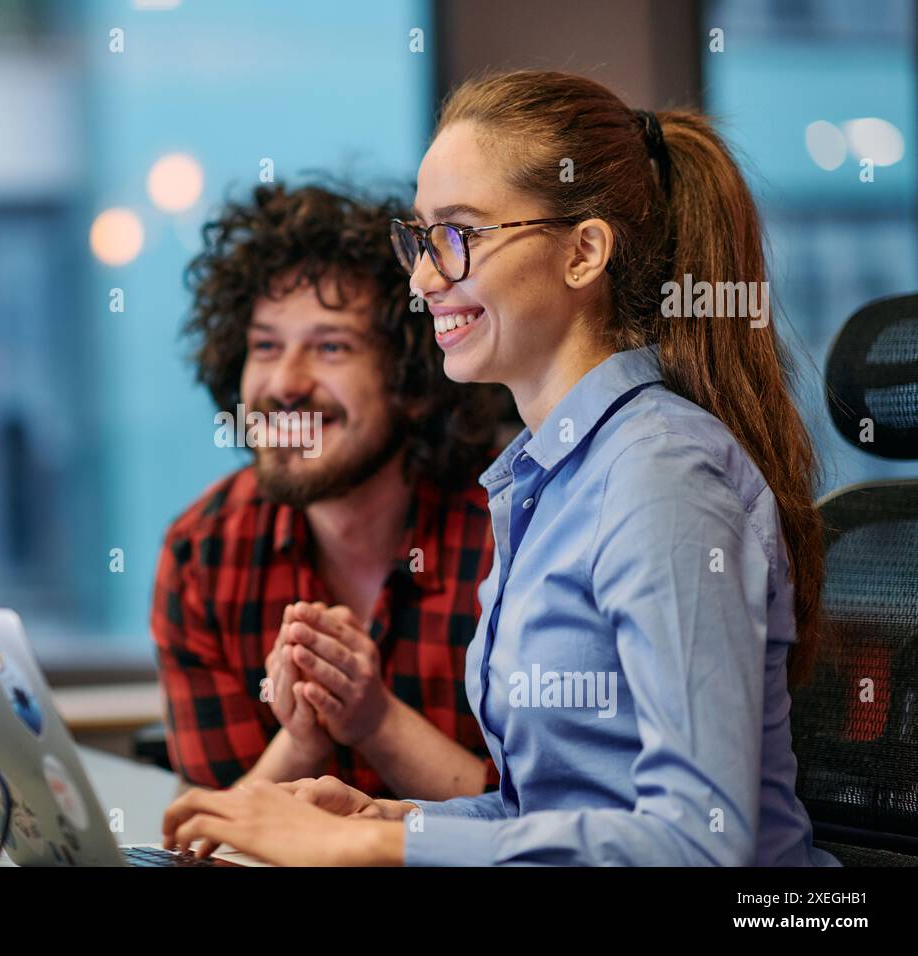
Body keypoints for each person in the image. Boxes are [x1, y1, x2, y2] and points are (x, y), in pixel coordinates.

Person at [161, 70, 840, 866]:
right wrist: (390, 824)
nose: (422, 279)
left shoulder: (660, 474)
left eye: (458, 236)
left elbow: (696, 843)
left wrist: (380, 853)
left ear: (584, 252)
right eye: (418, 239)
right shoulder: (544, 481)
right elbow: (548, 814)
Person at [151, 183, 511, 801]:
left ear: (413, 379)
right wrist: (303, 742)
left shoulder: (514, 534)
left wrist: (375, 720)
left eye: (331, 347)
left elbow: (548, 821)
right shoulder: (203, 554)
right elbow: (211, 824)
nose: (285, 383)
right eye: (265, 345)